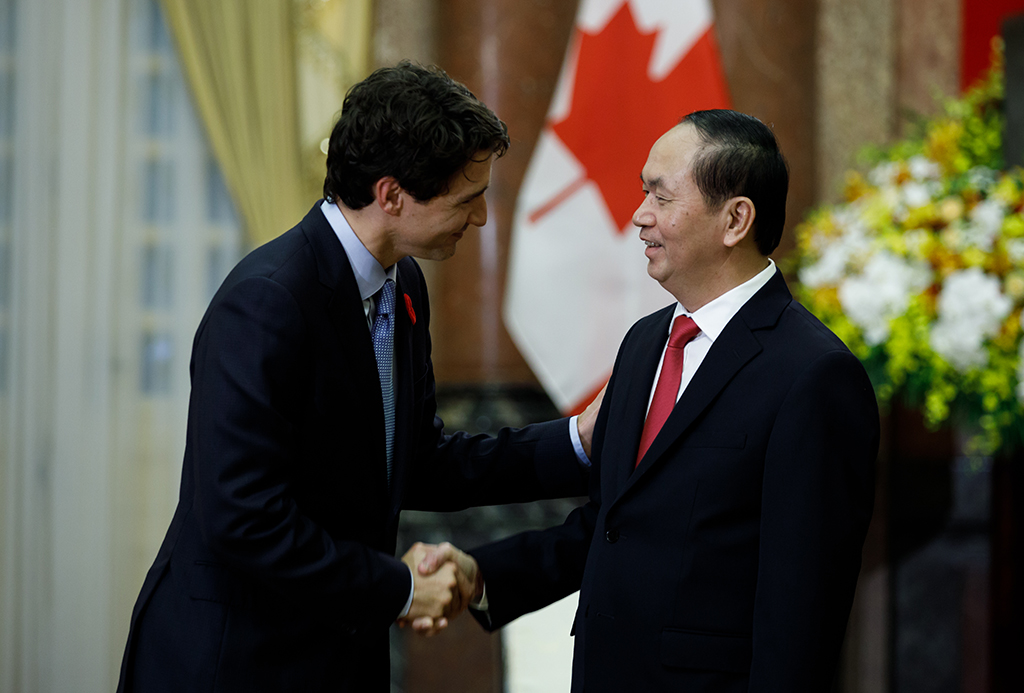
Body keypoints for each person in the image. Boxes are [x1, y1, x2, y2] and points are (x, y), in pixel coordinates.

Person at [116, 61, 598, 693]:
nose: (480, 219)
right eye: (466, 199)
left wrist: (576, 443)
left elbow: (418, 462)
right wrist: (399, 588)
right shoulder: (267, 302)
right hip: (236, 660)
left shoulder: (404, 285)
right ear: (391, 194)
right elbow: (243, 516)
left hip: (332, 654)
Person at [428, 109, 880, 691]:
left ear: (735, 219)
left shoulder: (813, 375)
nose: (639, 216)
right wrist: (483, 573)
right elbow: (617, 524)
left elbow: (802, 608)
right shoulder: (646, 342)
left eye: (661, 198)